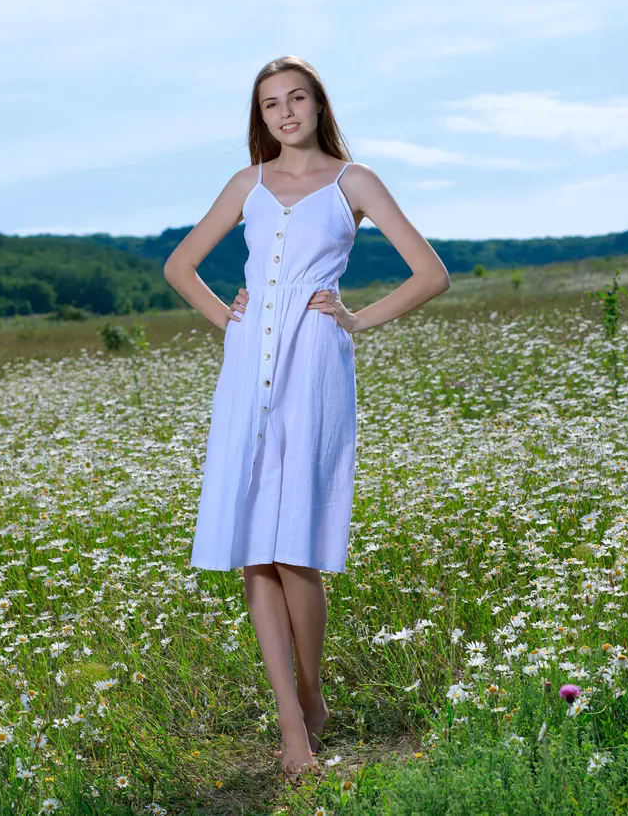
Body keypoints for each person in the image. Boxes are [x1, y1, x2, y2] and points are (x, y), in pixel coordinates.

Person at [163, 55, 450, 776]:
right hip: (247, 370)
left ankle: (312, 692)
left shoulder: (355, 182)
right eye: (270, 105)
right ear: (260, 118)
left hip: (315, 364)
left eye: (297, 99)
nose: (285, 113)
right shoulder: (248, 184)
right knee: (253, 553)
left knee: (295, 550)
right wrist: (225, 317)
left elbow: (431, 272)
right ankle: (293, 726)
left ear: (319, 106)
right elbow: (179, 266)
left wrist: (355, 320)